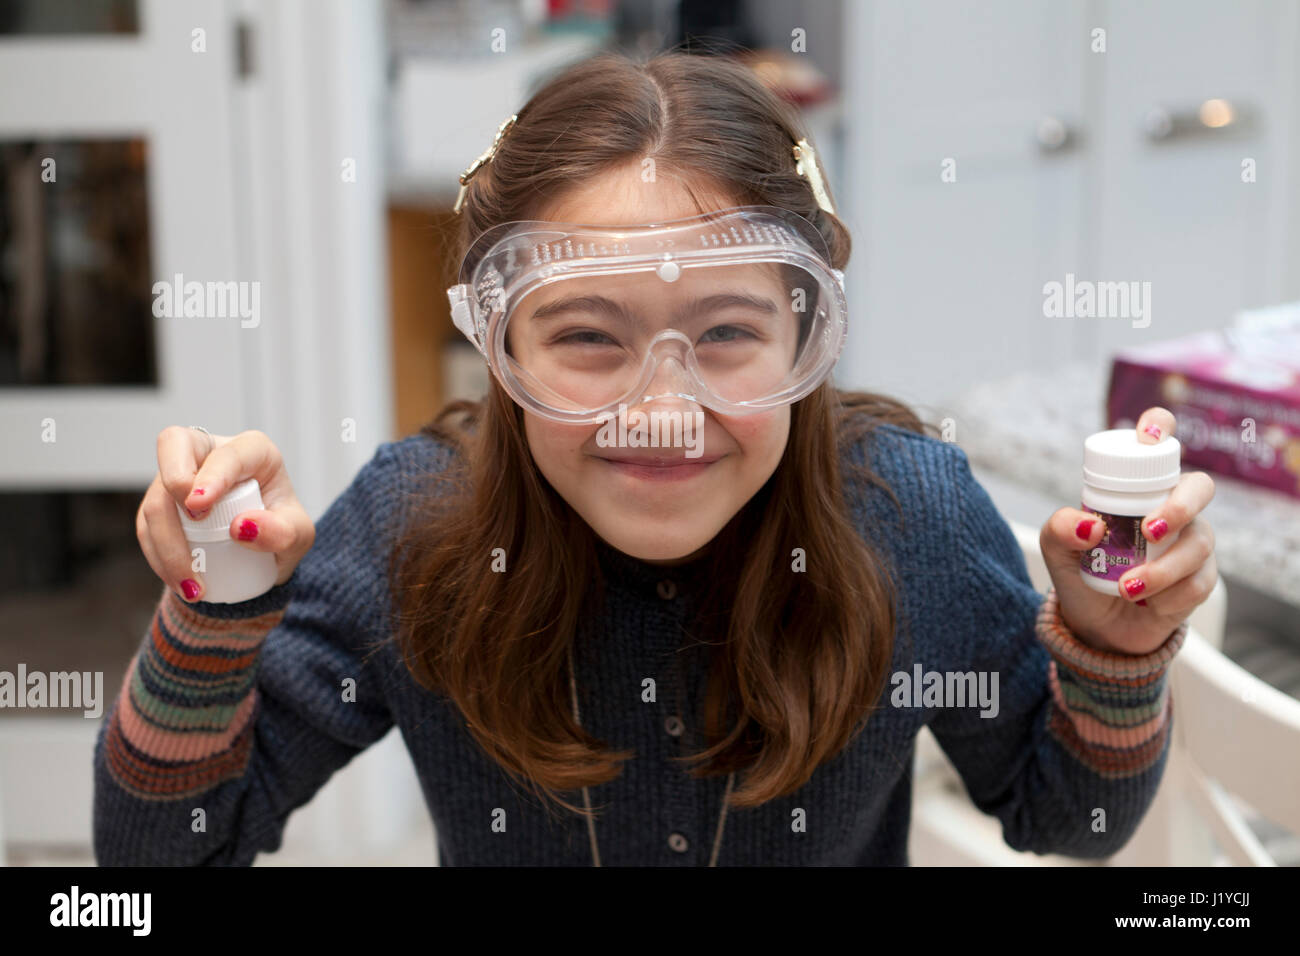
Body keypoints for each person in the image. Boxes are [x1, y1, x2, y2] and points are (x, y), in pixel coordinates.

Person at [94, 51, 1217, 866]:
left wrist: (1115, 653)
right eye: (587, 337)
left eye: (726, 334)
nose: (663, 408)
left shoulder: (910, 519)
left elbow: (1070, 822)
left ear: (805, 332)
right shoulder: (413, 527)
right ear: (499, 344)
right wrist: (215, 614)